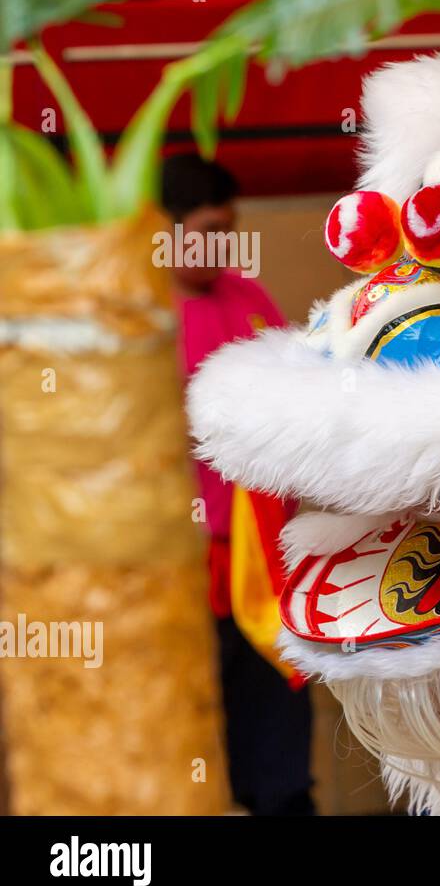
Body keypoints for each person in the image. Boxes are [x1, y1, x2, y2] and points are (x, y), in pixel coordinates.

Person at [163, 153, 316, 816]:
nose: (223, 244)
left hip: (261, 561)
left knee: (278, 737)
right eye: (209, 229)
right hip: (178, 566)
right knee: (183, 735)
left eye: (230, 228)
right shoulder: (135, 312)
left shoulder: (246, 295)